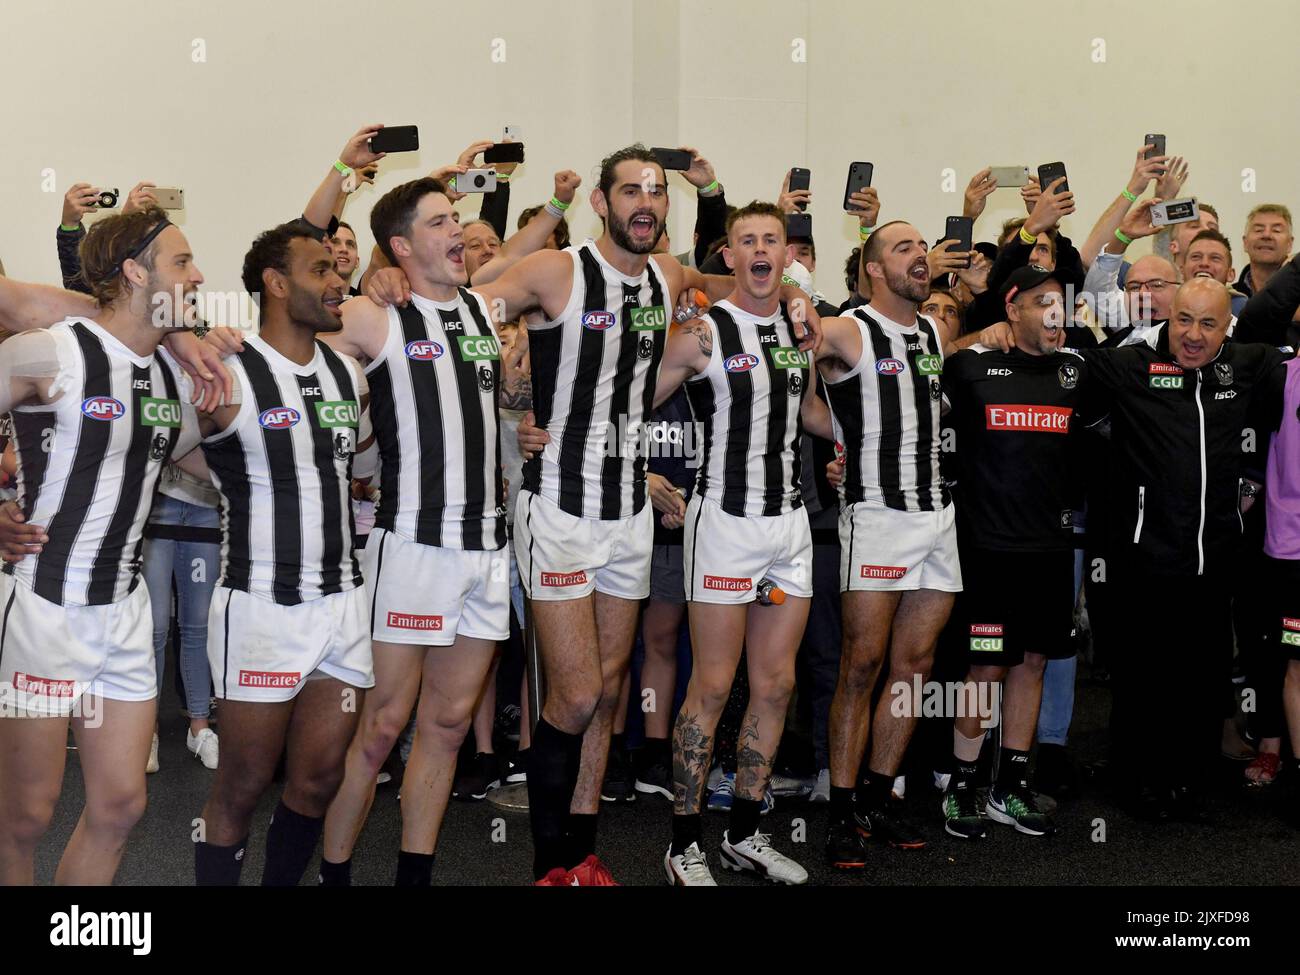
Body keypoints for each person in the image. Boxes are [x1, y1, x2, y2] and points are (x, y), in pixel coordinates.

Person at [505, 144, 818, 884]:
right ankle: (551, 864)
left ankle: (583, 853)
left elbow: (734, 280)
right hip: (557, 499)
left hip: (626, 508)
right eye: (630, 191)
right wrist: (506, 393)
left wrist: (799, 293)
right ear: (603, 203)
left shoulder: (668, 277)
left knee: (609, 692)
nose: (645, 202)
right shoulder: (559, 268)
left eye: (656, 191)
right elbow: (474, 291)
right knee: (576, 693)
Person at [316, 167, 573, 885]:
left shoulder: (482, 308)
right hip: (414, 545)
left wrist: (554, 203)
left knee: (449, 728)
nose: (455, 230)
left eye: (454, 220)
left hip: (484, 552)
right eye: (438, 222)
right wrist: (343, 192)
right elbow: (296, 293)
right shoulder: (379, 317)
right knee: (380, 729)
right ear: (399, 247)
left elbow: (520, 251)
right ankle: (334, 874)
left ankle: (413, 877)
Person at [0, 208, 230, 885]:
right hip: (46, 603)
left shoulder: (173, 377)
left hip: (125, 614)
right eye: (182, 262)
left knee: (122, 804)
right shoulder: (50, 350)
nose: (198, 275)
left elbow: (202, 467)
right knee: (25, 815)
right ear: (135, 272)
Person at [187, 219, 375, 886]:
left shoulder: (348, 374)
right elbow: (162, 448)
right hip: (261, 608)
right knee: (242, 785)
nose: (338, 280)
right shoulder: (230, 372)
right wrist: (225, 474)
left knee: (319, 780)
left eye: (338, 268)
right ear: (275, 283)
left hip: (342, 604)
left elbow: (363, 455)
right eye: (322, 269)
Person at [653, 201, 833, 885]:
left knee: (776, 683)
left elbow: (810, 409)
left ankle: (745, 833)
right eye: (746, 240)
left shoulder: (797, 328)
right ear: (728, 256)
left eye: (771, 240)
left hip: (786, 529)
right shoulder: (702, 332)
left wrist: (850, 436)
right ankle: (683, 842)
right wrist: (637, 470)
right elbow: (632, 400)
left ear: (787, 255)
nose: (760, 249)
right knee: (712, 684)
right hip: (723, 526)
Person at [809, 221, 961, 866]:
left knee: (915, 668)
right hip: (877, 515)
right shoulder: (851, 327)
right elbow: (790, 357)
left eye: (921, 247)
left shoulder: (932, 332)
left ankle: (876, 799)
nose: (919, 255)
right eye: (903, 249)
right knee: (862, 666)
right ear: (874, 269)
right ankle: (841, 813)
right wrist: (830, 432)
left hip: (937, 517)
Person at [938, 265, 1087, 839]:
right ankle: (964, 784)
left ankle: (1013, 786)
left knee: (1033, 663)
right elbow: (923, 385)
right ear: (1013, 312)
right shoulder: (971, 367)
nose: (1055, 312)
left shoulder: (1078, 371)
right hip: (987, 549)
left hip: (1051, 549)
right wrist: (975, 336)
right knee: (986, 666)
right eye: (1040, 302)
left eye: (1061, 303)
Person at [1237, 205, 1294, 297]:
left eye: (1276, 230)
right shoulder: (1229, 299)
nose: (1266, 235)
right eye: (1258, 230)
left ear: (1289, 244)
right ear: (1245, 243)